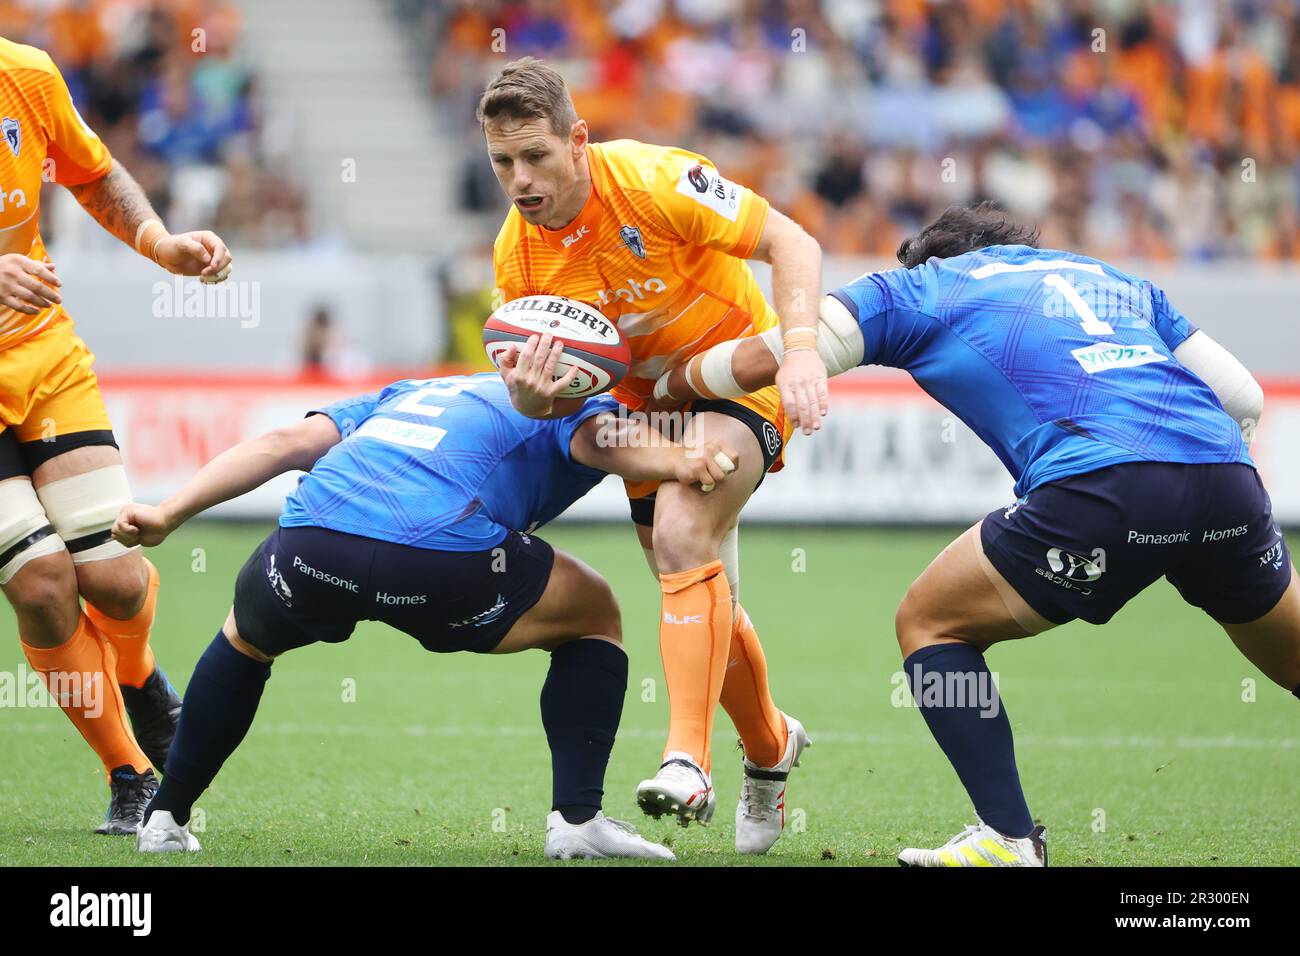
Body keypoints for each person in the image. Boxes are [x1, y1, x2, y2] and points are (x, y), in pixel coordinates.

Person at [653, 202, 1298, 866]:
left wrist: (668, 380)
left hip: (1101, 489)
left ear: (932, 257)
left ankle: (1009, 838)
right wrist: (1199, 513)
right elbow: (1244, 399)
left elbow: (783, 351)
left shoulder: (919, 287)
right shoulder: (1110, 278)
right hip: (1226, 476)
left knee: (930, 624)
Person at [115, 366, 740, 860]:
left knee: (246, 639)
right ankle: (576, 822)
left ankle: (165, 819)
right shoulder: (571, 404)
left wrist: (169, 512)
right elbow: (608, 443)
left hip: (310, 545)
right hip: (438, 566)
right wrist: (682, 459)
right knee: (596, 612)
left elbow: (284, 444)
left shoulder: (414, 390)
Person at [482, 57, 819, 852]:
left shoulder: (654, 181)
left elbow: (792, 241)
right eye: (502, 162)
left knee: (678, 536)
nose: (520, 179)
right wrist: (535, 400)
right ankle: (771, 749)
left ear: (579, 139)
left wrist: (800, 350)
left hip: (738, 375)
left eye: (535, 156)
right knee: (698, 589)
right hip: (643, 412)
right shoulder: (517, 262)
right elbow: (557, 401)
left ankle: (686, 763)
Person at [0, 38, 233, 834]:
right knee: (39, 583)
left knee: (117, 580)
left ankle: (137, 674)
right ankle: (129, 771)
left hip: (42, 356)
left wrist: (161, 243)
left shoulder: (24, 75)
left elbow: (93, 171)